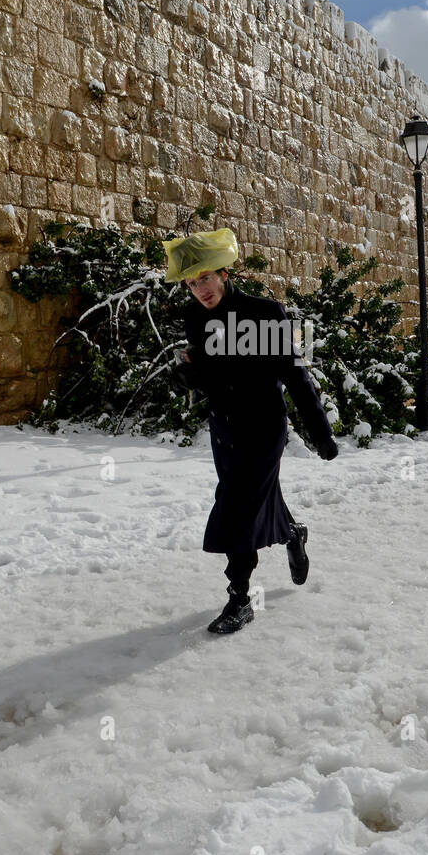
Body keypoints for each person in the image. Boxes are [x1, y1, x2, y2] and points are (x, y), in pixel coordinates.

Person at [165, 228, 339, 635]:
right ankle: (293, 533)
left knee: (236, 505)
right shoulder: (195, 318)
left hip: (263, 429)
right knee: (251, 499)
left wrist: (320, 433)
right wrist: (186, 378)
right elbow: (210, 375)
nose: (200, 290)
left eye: (205, 278)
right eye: (191, 284)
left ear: (225, 274)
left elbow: (296, 377)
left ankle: (239, 599)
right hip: (224, 431)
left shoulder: (267, 314)